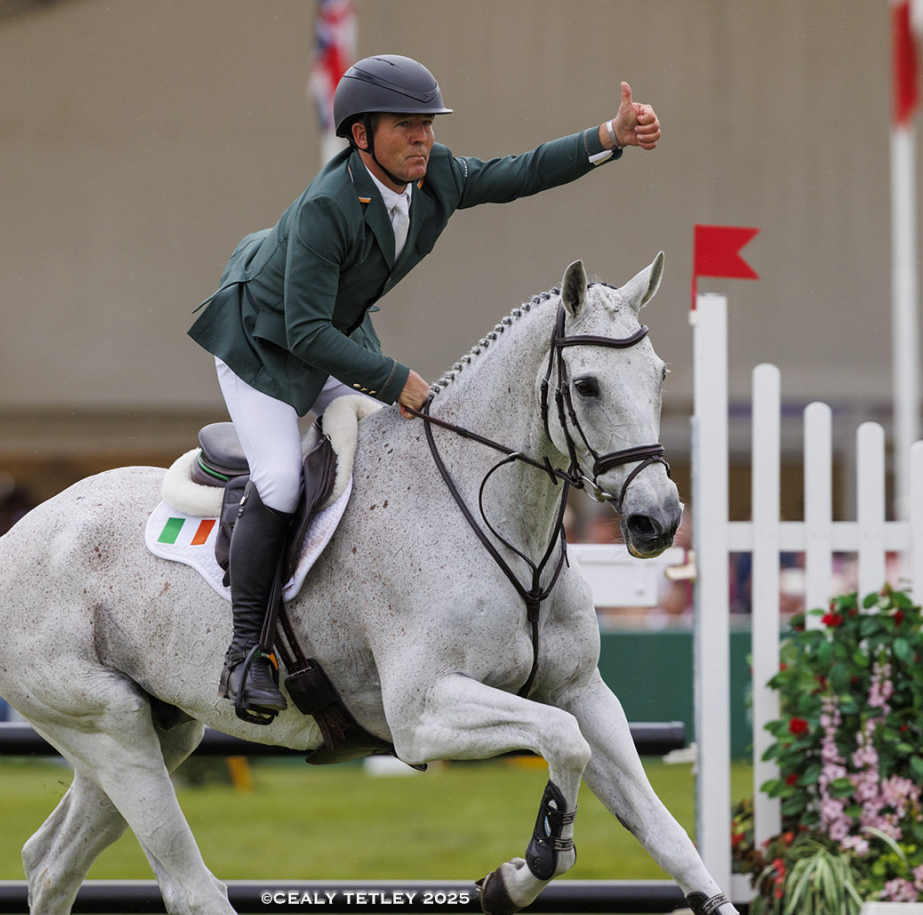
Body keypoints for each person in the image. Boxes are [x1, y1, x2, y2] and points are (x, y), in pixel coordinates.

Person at [188, 54, 661, 722]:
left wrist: (607, 137)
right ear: (361, 136)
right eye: (406, 126)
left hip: (331, 331)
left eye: (427, 125)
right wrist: (390, 378)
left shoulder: (432, 177)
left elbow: (513, 174)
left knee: (406, 448)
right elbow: (301, 332)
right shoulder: (326, 208)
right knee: (282, 484)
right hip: (264, 345)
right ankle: (246, 653)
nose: (423, 139)